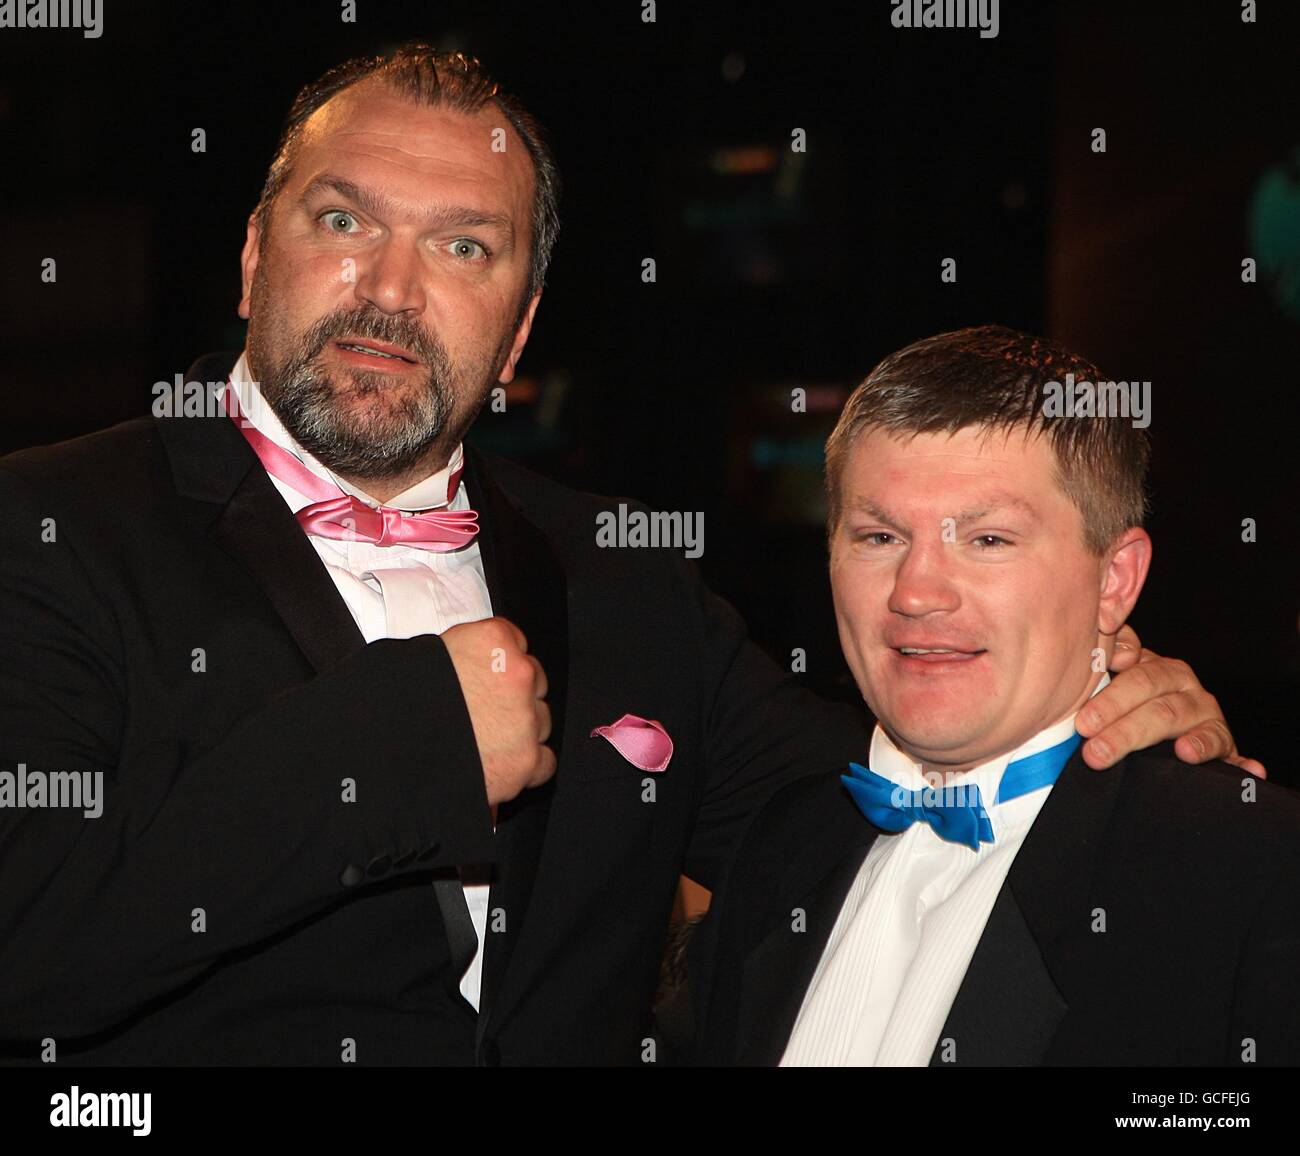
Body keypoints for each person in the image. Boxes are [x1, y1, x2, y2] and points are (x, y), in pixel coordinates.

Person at [0, 49, 1249, 1066]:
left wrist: (1108, 730)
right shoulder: (49, 526)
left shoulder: (619, 573)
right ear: (254, 255)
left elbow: (866, 811)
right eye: (344, 219)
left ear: (520, 326)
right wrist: (408, 747)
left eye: (463, 247)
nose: (389, 288)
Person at [688, 325, 1300, 1066]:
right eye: (879, 537)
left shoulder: (1250, 870)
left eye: (987, 540)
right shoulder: (780, 846)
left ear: (1114, 581)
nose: (916, 594)